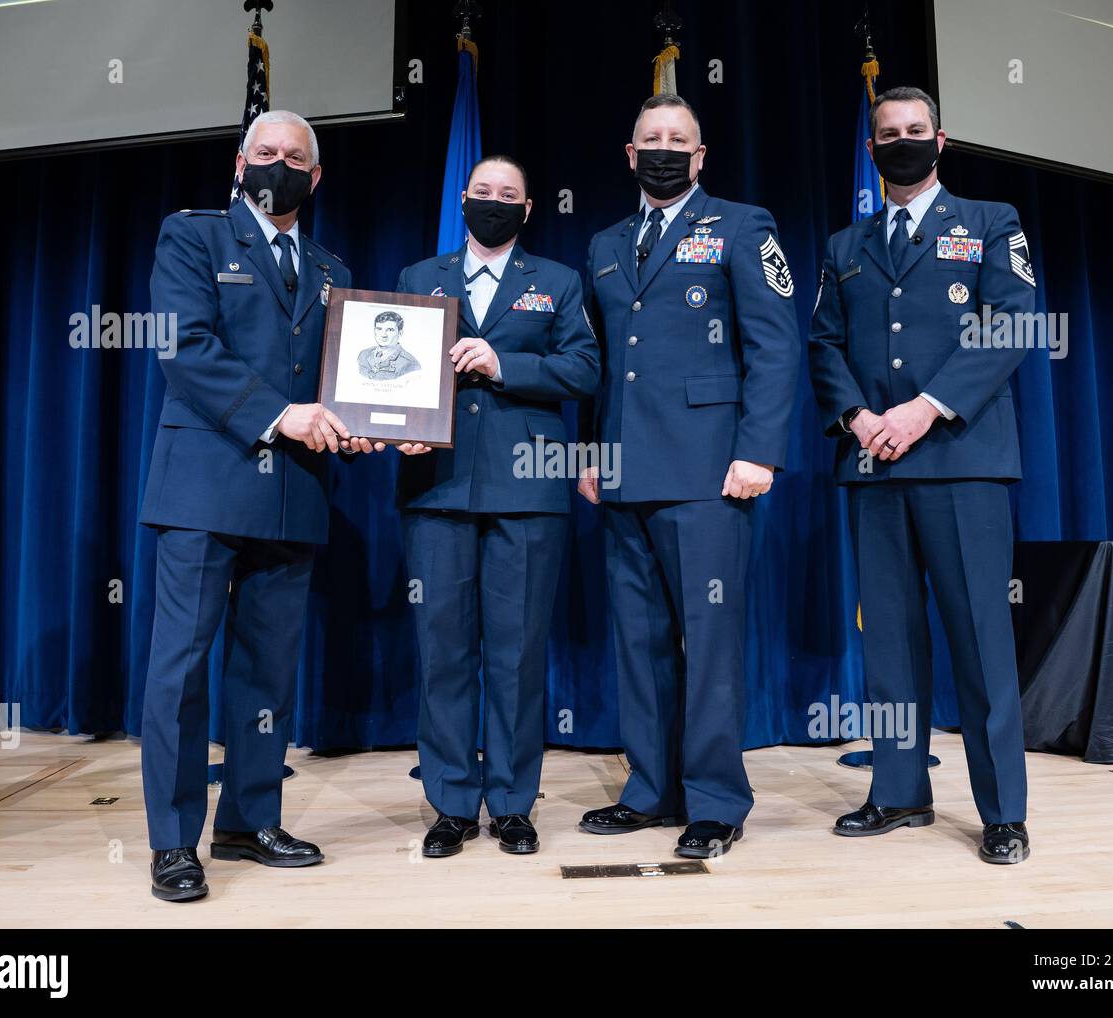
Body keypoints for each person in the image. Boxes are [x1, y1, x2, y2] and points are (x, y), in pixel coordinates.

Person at [139, 110, 384, 901]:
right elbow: (183, 346)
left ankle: (248, 819)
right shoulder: (192, 237)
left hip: (293, 496)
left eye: (295, 159)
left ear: (315, 179)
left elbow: (343, 390)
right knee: (180, 671)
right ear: (239, 163)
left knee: (268, 675)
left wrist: (367, 426)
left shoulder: (329, 268)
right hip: (205, 487)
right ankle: (175, 843)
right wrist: (284, 417)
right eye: (265, 153)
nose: (278, 166)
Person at [809, 86, 1035, 864]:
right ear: (870, 149)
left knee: (980, 638)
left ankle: (1004, 810)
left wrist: (925, 408)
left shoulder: (990, 222)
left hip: (961, 461)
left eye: (915, 130)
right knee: (892, 646)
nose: (900, 141)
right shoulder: (844, 245)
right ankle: (899, 790)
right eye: (887, 133)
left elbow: (1013, 322)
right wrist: (858, 418)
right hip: (873, 463)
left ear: (941, 140)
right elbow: (823, 346)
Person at [576, 94, 800, 859]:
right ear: (630, 154)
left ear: (700, 157)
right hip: (625, 472)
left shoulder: (744, 226)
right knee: (637, 643)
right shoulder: (604, 243)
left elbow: (775, 346)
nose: (665, 149)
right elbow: (595, 364)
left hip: (711, 472)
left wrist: (759, 452)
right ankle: (650, 790)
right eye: (652, 140)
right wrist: (587, 453)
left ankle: (714, 800)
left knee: (708, 644)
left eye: (680, 140)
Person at [394, 155, 599, 857]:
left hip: (527, 491)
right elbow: (387, 376)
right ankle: (451, 803)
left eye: (508, 194)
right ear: (463, 199)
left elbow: (584, 368)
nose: (494, 202)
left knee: (515, 654)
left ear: (529, 208)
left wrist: (503, 363)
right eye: (483, 192)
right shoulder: (419, 279)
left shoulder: (559, 283)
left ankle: (513, 803)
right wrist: (396, 430)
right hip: (438, 491)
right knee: (444, 653)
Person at [357, 310, 421, 379]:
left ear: (400, 333)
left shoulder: (410, 364)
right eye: (379, 329)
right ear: (374, 331)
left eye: (390, 330)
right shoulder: (363, 355)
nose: (383, 335)